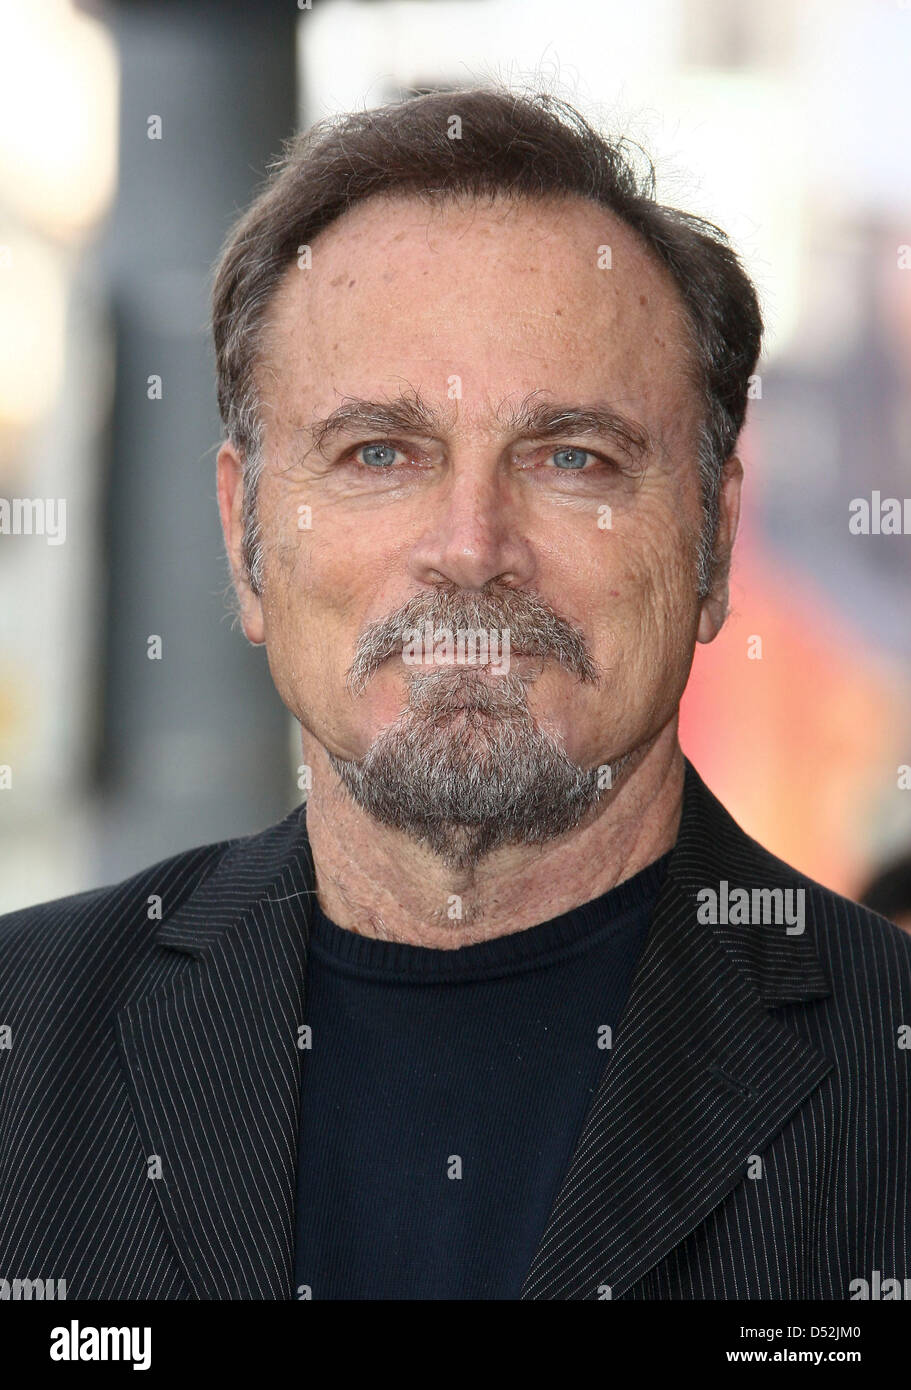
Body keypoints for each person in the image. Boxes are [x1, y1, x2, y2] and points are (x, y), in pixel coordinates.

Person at [1, 87, 909, 1301]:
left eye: (571, 456)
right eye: (379, 453)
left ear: (711, 539)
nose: (471, 545)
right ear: (244, 536)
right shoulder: (22, 1045)